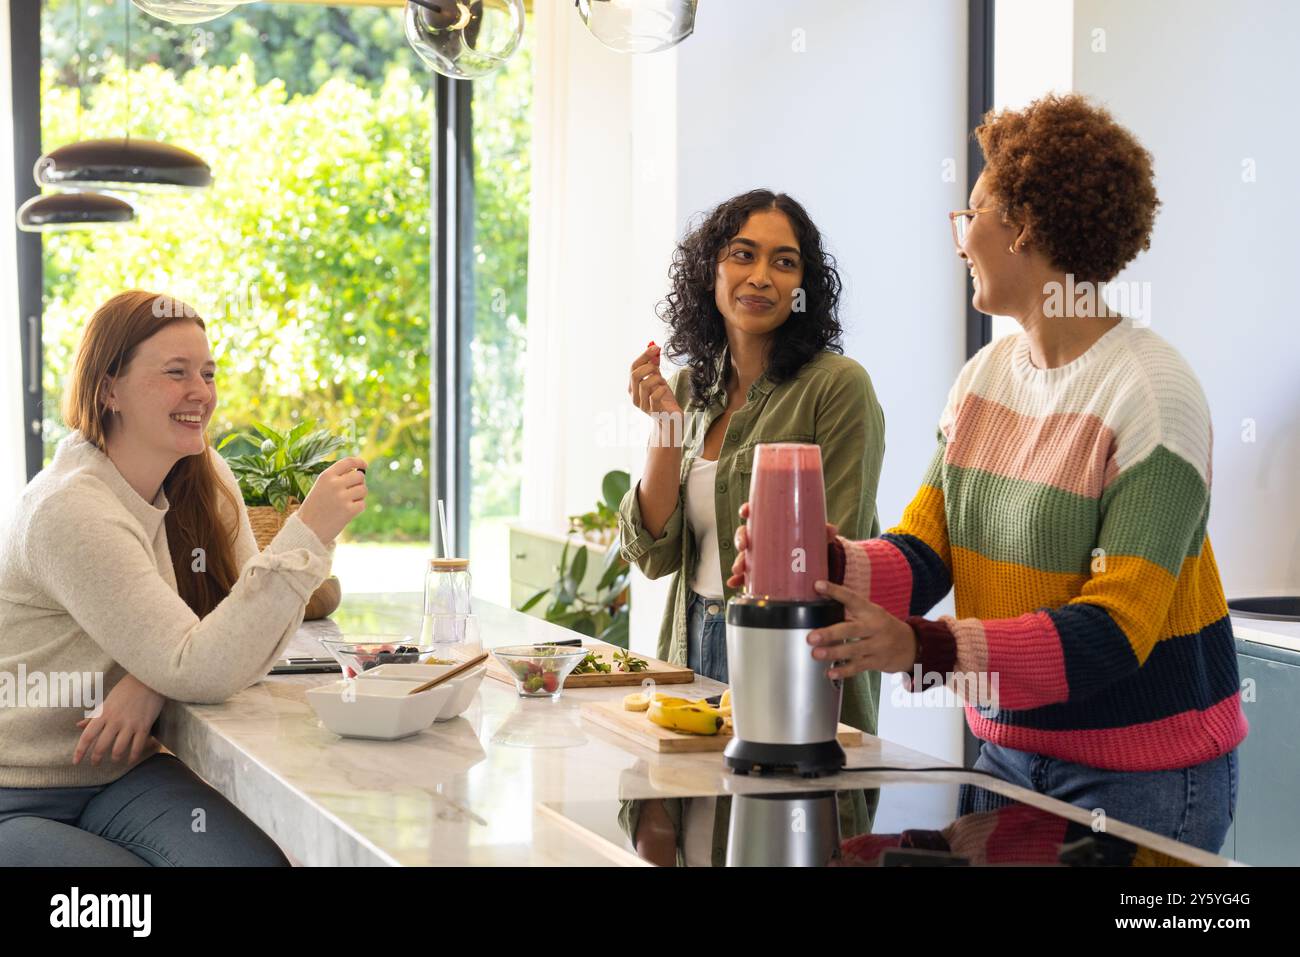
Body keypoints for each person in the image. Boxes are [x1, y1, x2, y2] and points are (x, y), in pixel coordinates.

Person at [732, 94, 1245, 854]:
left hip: (1141, 778)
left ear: (1024, 226)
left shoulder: (1152, 394)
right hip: (1006, 759)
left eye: (971, 213)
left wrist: (925, 648)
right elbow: (925, 553)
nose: (961, 239)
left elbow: (1115, 632)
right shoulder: (985, 378)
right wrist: (824, 564)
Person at [0, 289, 368, 865]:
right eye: (176, 372)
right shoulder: (71, 509)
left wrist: (153, 680)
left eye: (208, 373)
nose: (201, 391)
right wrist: (307, 534)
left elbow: (245, 635)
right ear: (109, 390)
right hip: (17, 791)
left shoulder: (200, 473)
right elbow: (207, 660)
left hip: (123, 774)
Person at [619, 189, 886, 863]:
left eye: (784, 262)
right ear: (710, 269)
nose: (761, 276)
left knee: (782, 846)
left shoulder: (837, 386)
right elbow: (652, 554)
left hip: (791, 667)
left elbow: (834, 558)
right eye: (743, 254)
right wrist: (666, 429)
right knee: (695, 848)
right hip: (689, 650)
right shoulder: (690, 389)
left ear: (804, 286)